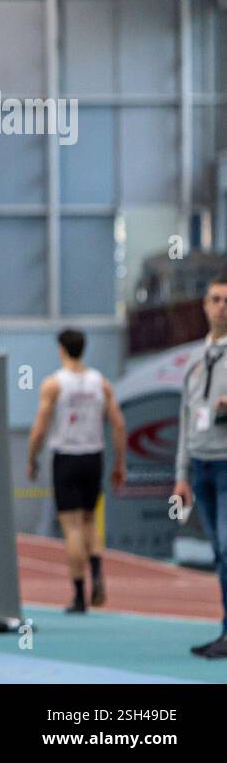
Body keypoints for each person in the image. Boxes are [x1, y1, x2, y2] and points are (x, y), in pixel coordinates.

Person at [28, 329, 127, 614]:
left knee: (70, 527)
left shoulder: (54, 384)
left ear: (61, 349)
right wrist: (120, 462)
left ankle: (79, 595)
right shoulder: (101, 383)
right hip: (93, 456)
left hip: (67, 457)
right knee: (89, 522)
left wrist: (32, 457)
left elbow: (40, 425)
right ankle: (96, 570)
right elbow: (118, 424)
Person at [172, 274, 227, 658]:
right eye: (215, 299)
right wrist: (181, 475)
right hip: (202, 467)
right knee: (220, 554)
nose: (221, 306)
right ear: (205, 306)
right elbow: (185, 418)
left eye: (226, 299)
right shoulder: (194, 359)